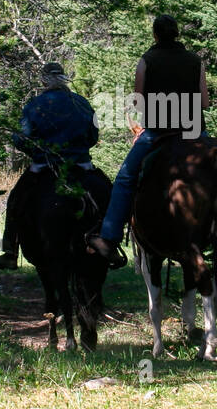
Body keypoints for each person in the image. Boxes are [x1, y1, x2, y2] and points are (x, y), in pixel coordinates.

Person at [87, 14, 209, 264]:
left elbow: (139, 101)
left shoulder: (146, 61)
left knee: (125, 178)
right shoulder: (196, 61)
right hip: (195, 132)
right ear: (177, 33)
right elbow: (205, 102)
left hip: (159, 133)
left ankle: (109, 238)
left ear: (155, 34)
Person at [0, 62, 99, 269]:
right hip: (81, 165)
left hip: (44, 166)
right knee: (106, 192)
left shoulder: (35, 105)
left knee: (16, 200)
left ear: (43, 80)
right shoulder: (81, 103)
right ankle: (110, 242)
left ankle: (10, 251)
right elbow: (93, 136)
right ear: (64, 78)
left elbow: (21, 139)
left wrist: (36, 152)